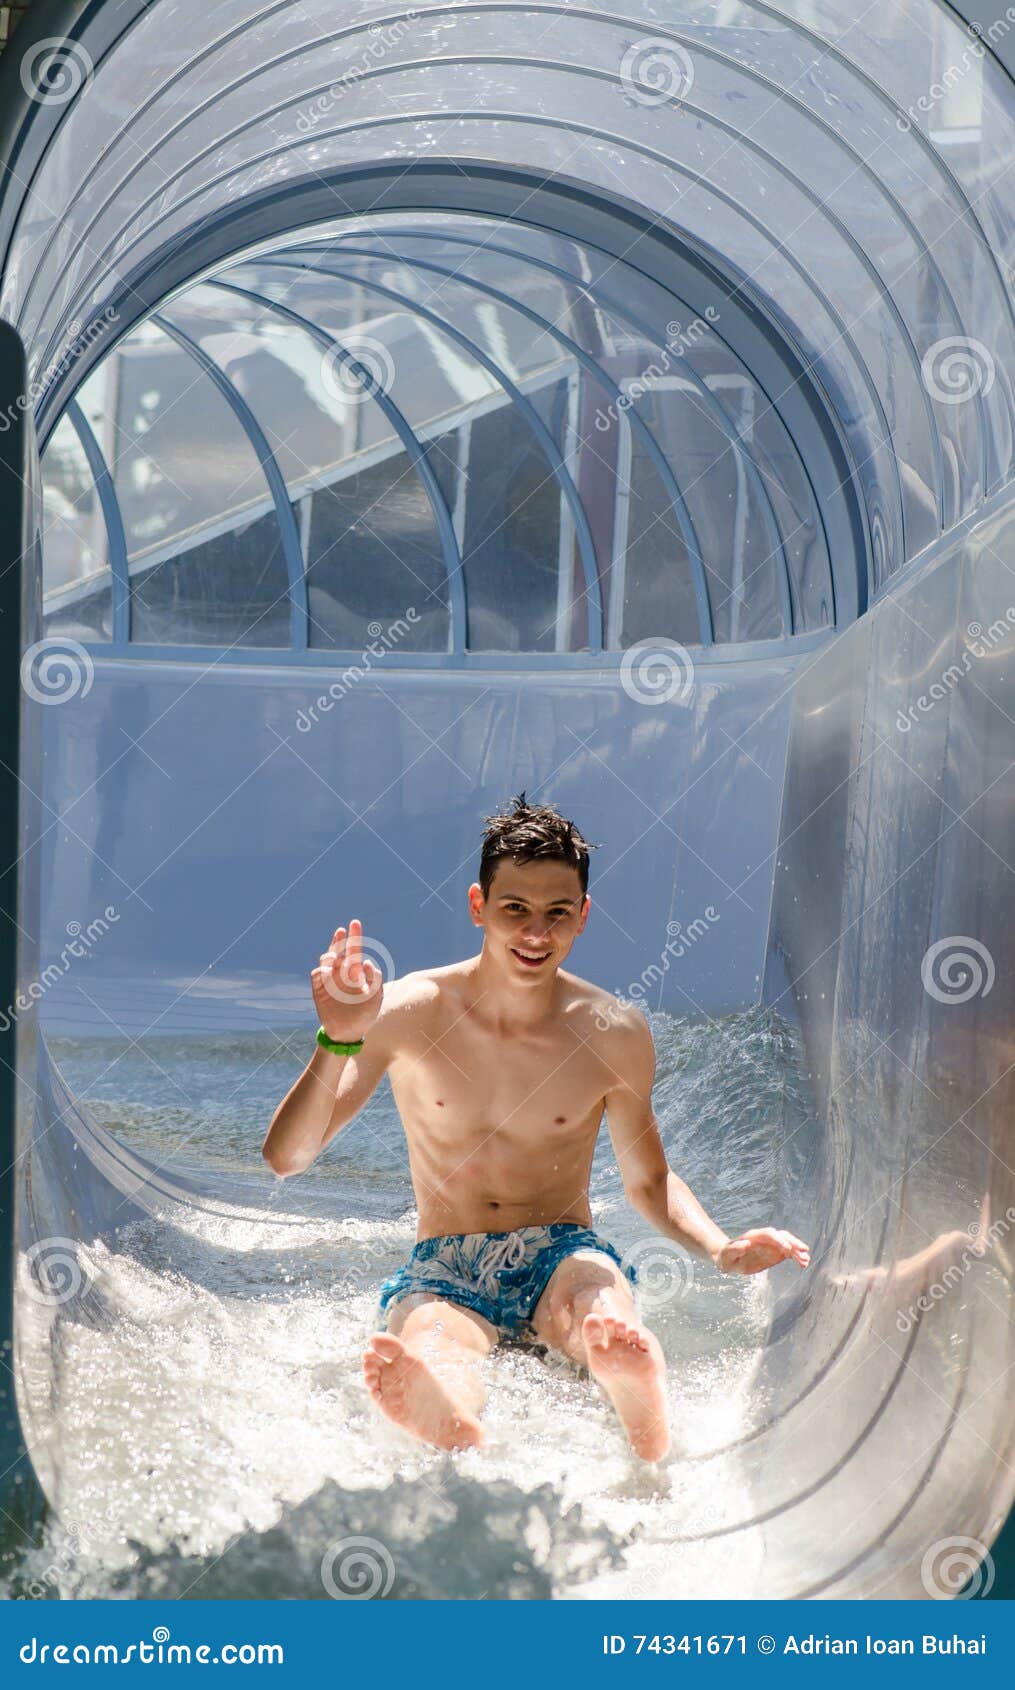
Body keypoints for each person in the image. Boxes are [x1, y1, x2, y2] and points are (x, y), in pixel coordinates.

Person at [263, 795, 810, 1461]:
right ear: (477, 906)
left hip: (561, 1248)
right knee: (434, 1335)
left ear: (582, 915)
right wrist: (337, 1039)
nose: (534, 933)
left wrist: (720, 1248)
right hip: (447, 1258)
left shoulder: (612, 1033)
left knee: (596, 1306)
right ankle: (453, 1417)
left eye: (556, 914)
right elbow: (288, 1158)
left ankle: (636, 1395)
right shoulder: (411, 1011)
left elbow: (649, 1181)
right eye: (514, 909)